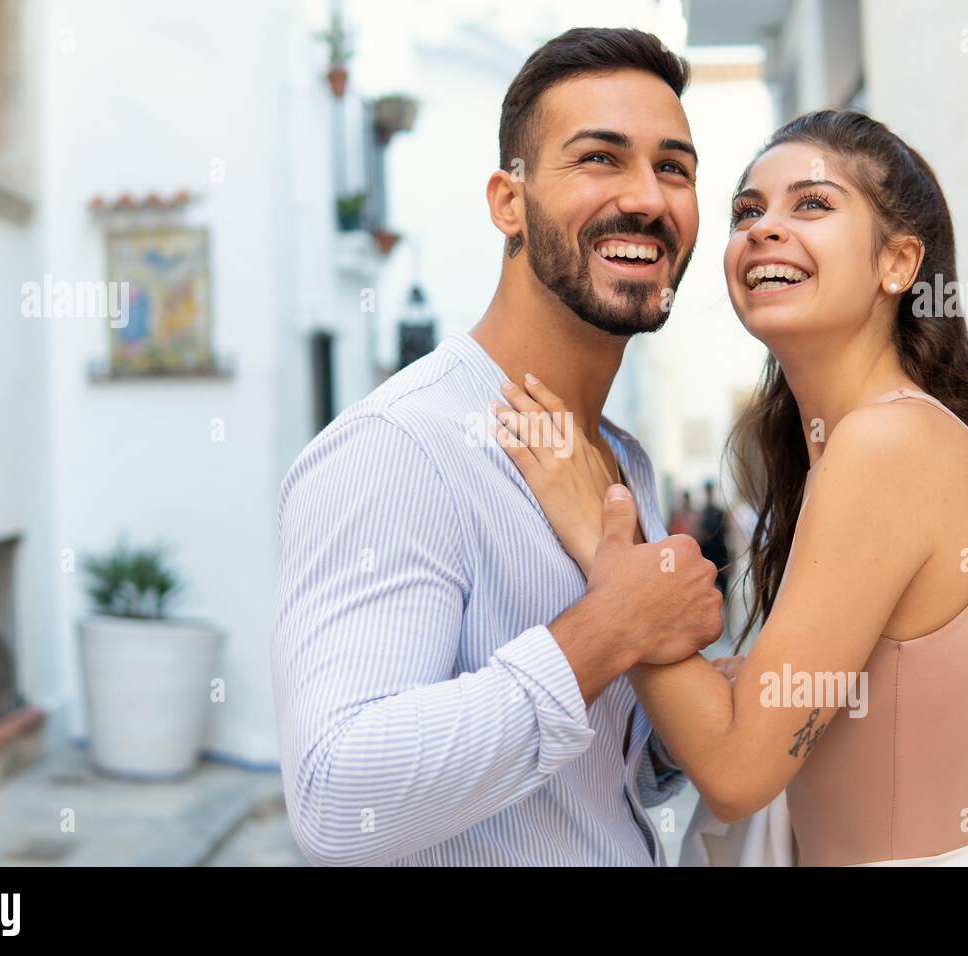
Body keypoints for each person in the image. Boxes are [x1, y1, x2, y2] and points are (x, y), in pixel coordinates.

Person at [494, 109, 968, 866]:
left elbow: (737, 771)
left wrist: (607, 551)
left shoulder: (888, 444)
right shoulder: (862, 445)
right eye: (747, 211)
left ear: (898, 263)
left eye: (813, 204)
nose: (765, 228)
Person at [270, 27, 721, 866]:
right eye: (598, 158)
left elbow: (596, 785)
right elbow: (337, 801)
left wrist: (711, 699)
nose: (648, 199)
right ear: (507, 201)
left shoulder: (623, 462)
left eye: (674, 167)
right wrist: (607, 631)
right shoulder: (402, 448)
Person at [696, 481, 731, 596]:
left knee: (722, 584)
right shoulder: (703, 513)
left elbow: (727, 532)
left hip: (719, 551)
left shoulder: (716, 512)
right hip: (710, 552)